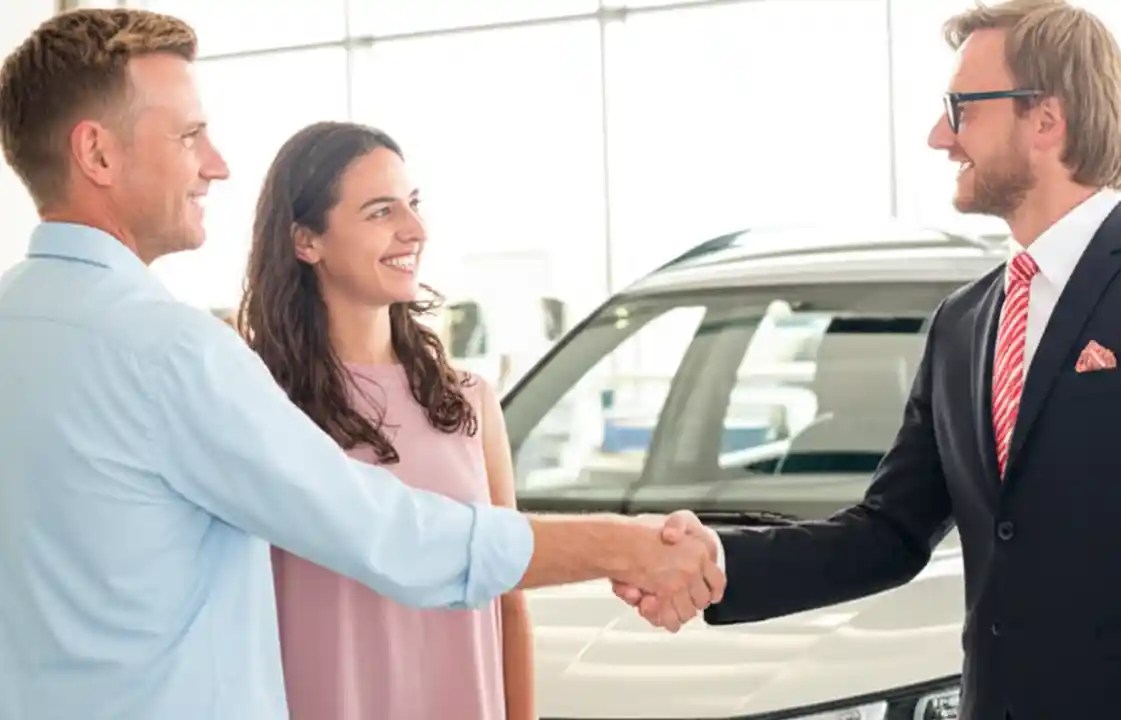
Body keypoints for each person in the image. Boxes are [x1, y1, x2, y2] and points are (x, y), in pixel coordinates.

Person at [0, 10, 721, 720]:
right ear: (96, 154)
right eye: (190, 135)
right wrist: (626, 546)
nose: (215, 164)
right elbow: (393, 537)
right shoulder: (170, 352)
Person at [618, 1, 1121, 719]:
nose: (940, 136)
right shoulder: (963, 324)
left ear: (1046, 119)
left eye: (960, 107)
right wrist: (718, 561)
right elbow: (889, 534)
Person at [238, 121, 535, 720]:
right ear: (305, 241)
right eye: (381, 211)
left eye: (413, 204)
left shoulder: (470, 403)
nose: (415, 230)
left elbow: (509, 602)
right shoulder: (254, 403)